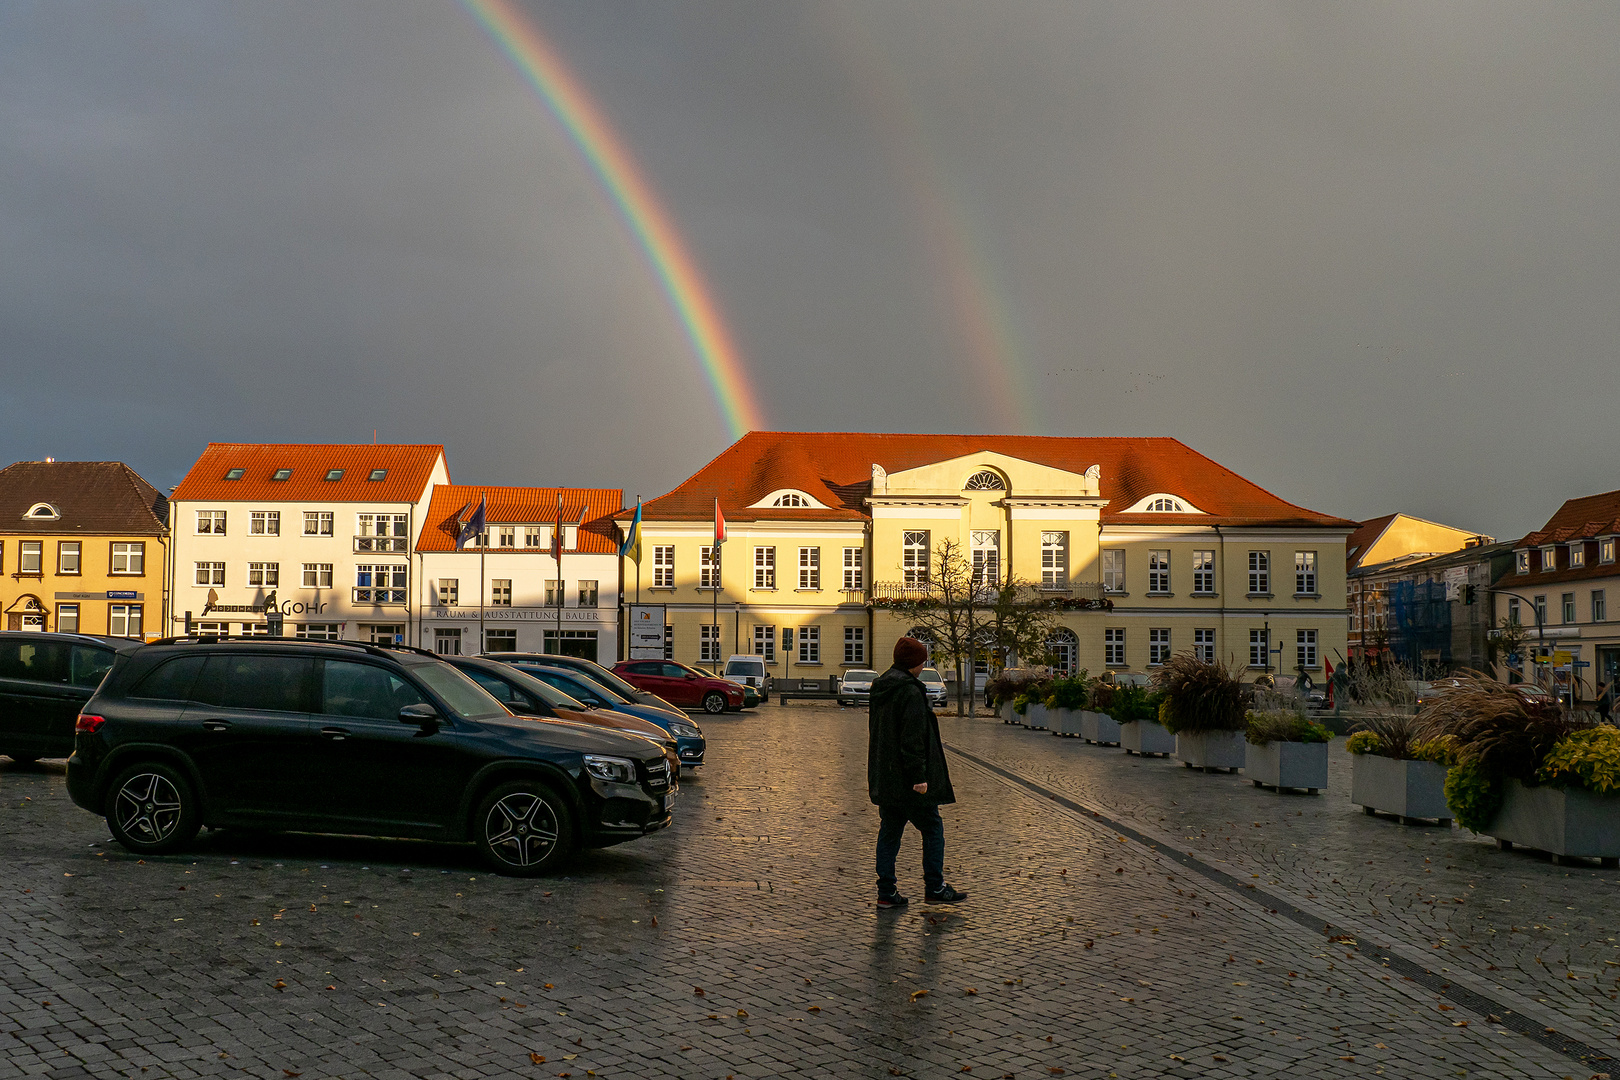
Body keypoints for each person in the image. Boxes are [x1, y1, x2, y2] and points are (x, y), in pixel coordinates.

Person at [868, 636, 966, 909]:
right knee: (933, 828)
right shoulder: (910, 692)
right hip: (908, 780)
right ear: (914, 663)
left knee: (889, 831)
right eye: (923, 660)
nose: (924, 665)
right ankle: (935, 887)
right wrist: (919, 778)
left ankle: (886, 893)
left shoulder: (882, 686)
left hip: (886, 775)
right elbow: (911, 738)